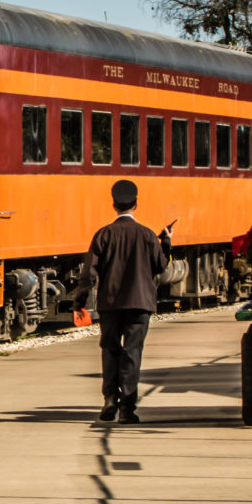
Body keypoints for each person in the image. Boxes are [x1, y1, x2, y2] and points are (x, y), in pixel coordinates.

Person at [71, 179, 173, 423]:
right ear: (136, 205)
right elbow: (160, 266)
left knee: (110, 351)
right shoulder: (148, 235)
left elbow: (89, 273)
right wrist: (166, 241)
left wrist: (79, 301)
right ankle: (127, 408)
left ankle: (109, 400)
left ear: (113, 205)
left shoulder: (104, 234)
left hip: (110, 305)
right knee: (132, 353)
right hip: (140, 305)